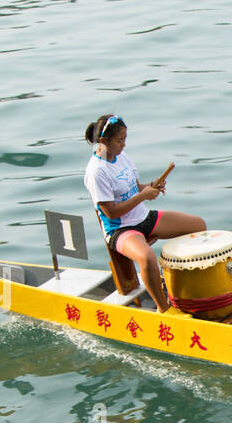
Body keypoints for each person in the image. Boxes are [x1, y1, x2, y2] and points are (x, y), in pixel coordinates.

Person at [83, 114, 206, 314]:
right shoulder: (96, 171)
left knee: (198, 226)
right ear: (104, 142)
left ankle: (187, 288)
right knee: (148, 258)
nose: (124, 144)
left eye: (125, 139)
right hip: (120, 229)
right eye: (119, 140)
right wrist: (143, 196)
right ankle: (163, 309)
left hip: (143, 217)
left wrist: (150, 186)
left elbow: (135, 187)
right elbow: (111, 212)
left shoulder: (122, 157)